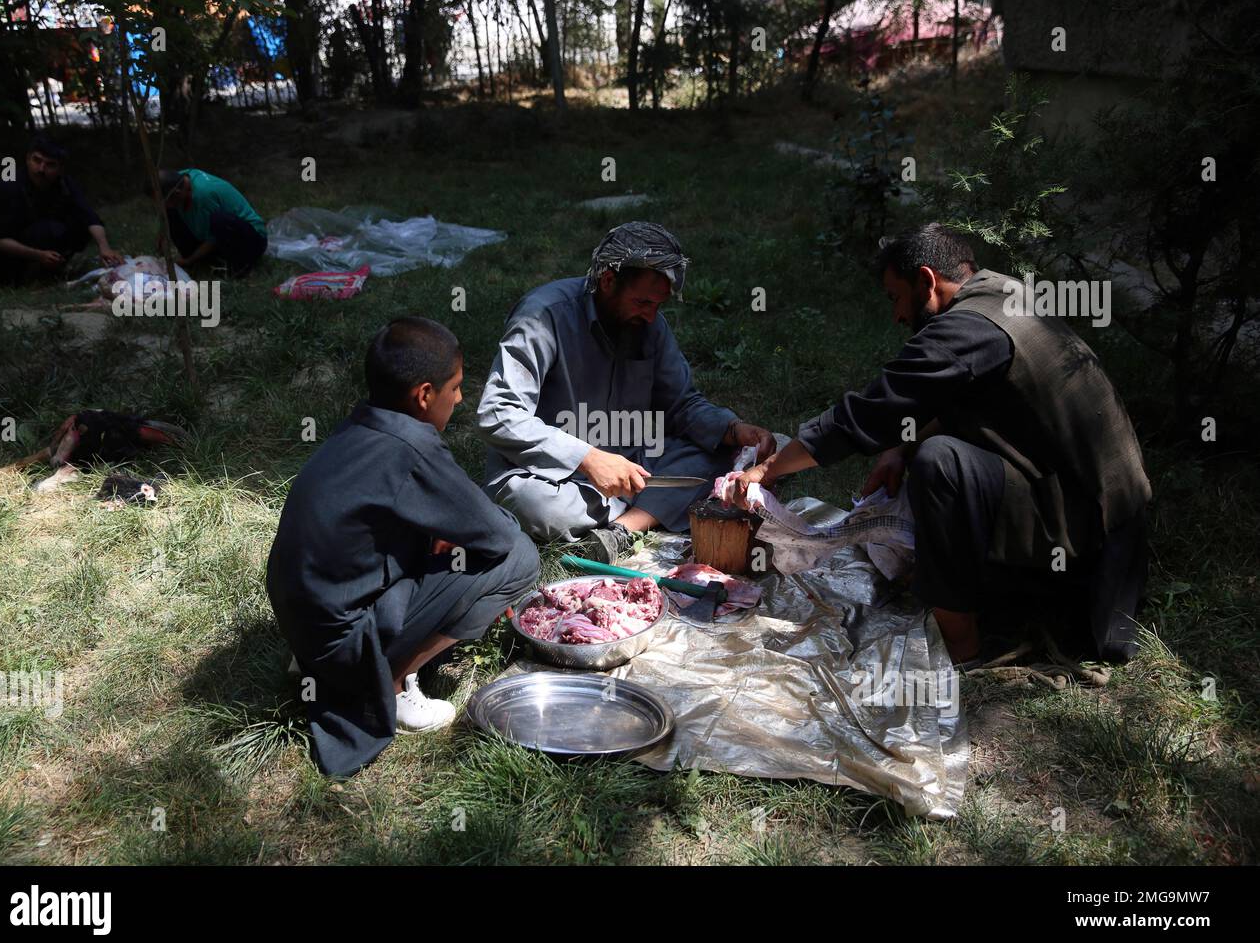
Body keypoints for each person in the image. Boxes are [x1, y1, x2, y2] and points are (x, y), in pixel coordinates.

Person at [732, 223, 1152, 665]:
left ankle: (963, 645)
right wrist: (897, 450)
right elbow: (954, 393)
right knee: (927, 452)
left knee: (940, 463)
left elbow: (864, 415)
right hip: (1102, 500)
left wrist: (768, 469)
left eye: (896, 297)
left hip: (1084, 522)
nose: (896, 315)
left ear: (928, 280)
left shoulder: (966, 332)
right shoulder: (999, 290)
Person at [266, 317, 540, 777]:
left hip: (305, 619)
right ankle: (386, 686)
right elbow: (497, 534)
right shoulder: (413, 447)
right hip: (341, 640)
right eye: (454, 388)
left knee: (445, 540)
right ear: (424, 395)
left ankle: (331, 663)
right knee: (520, 558)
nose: (460, 397)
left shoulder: (362, 425)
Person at [477, 221, 775, 562]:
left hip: (635, 466)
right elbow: (498, 414)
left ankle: (625, 529)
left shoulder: (649, 324)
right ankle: (648, 512)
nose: (651, 316)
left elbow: (681, 405)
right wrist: (587, 458)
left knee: (720, 455)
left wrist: (733, 430)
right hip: (553, 475)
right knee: (533, 504)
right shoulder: (544, 316)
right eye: (643, 302)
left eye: (658, 305)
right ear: (608, 282)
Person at [0, 135, 123, 286]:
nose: (41, 169)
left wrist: (105, 247)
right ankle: (32, 276)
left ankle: (53, 268)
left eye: (50, 165)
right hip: (8, 261)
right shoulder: (9, 186)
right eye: (37, 161)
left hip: (41, 242)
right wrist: (38, 255)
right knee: (49, 230)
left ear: (60, 169)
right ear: (27, 159)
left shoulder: (63, 183)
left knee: (79, 223)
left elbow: (88, 215)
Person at [146, 167, 267, 276]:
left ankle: (241, 267)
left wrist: (190, 260)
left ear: (177, 194)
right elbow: (165, 212)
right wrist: (162, 234)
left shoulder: (203, 195)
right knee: (170, 211)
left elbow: (213, 237)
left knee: (220, 220)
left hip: (250, 239)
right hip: (217, 236)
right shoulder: (179, 179)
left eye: (163, 201)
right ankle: (202, 259)